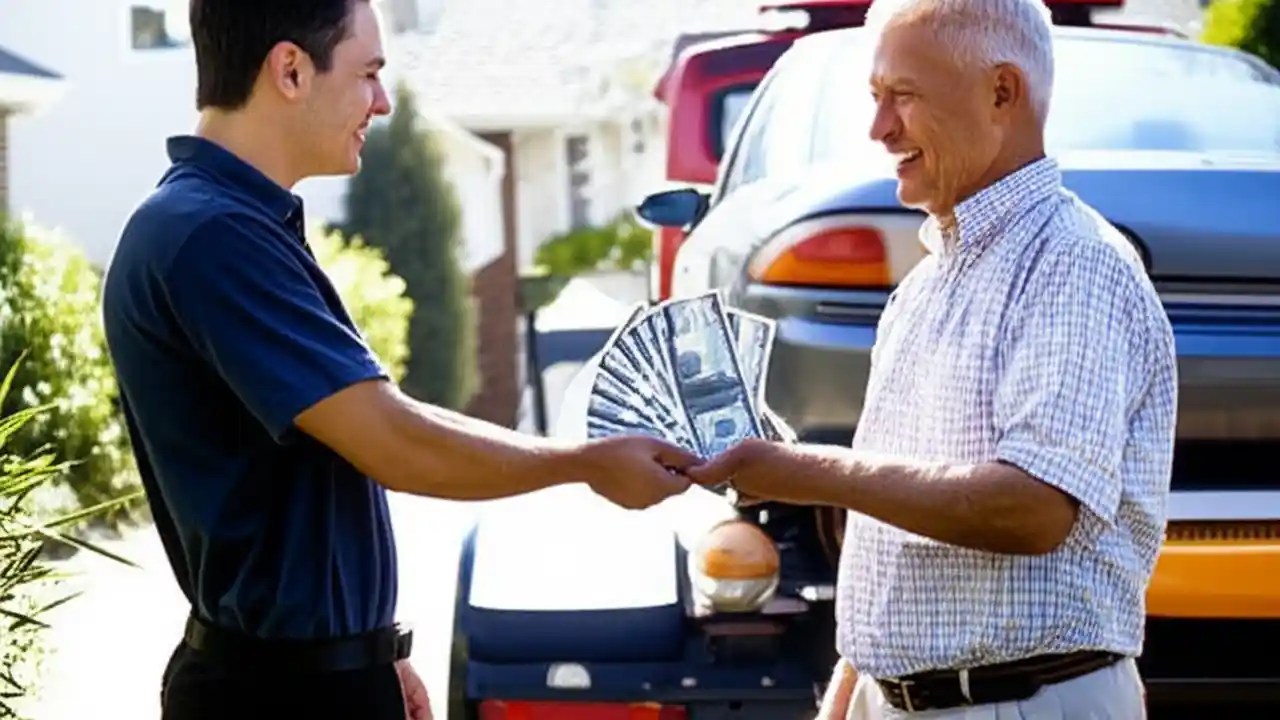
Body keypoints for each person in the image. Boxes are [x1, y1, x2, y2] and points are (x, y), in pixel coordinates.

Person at [100, 2, 698, 719]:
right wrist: (584, 462)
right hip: (279, 696)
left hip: (306, 676)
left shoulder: (231, 223)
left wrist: (373, 649)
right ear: (290, 69)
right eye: (369, 74)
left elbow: (309, 481)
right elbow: (392, 440)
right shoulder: (211, 236)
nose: (382, 104)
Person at [688, 0, 1177, 717]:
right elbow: (891, 525)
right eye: (875, 98)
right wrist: (848, 703)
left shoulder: (1075, 264)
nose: (878, 129)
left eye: (903, 96)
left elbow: (1033, 508)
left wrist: (802, 471)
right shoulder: (922, 288)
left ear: (1002, 92)